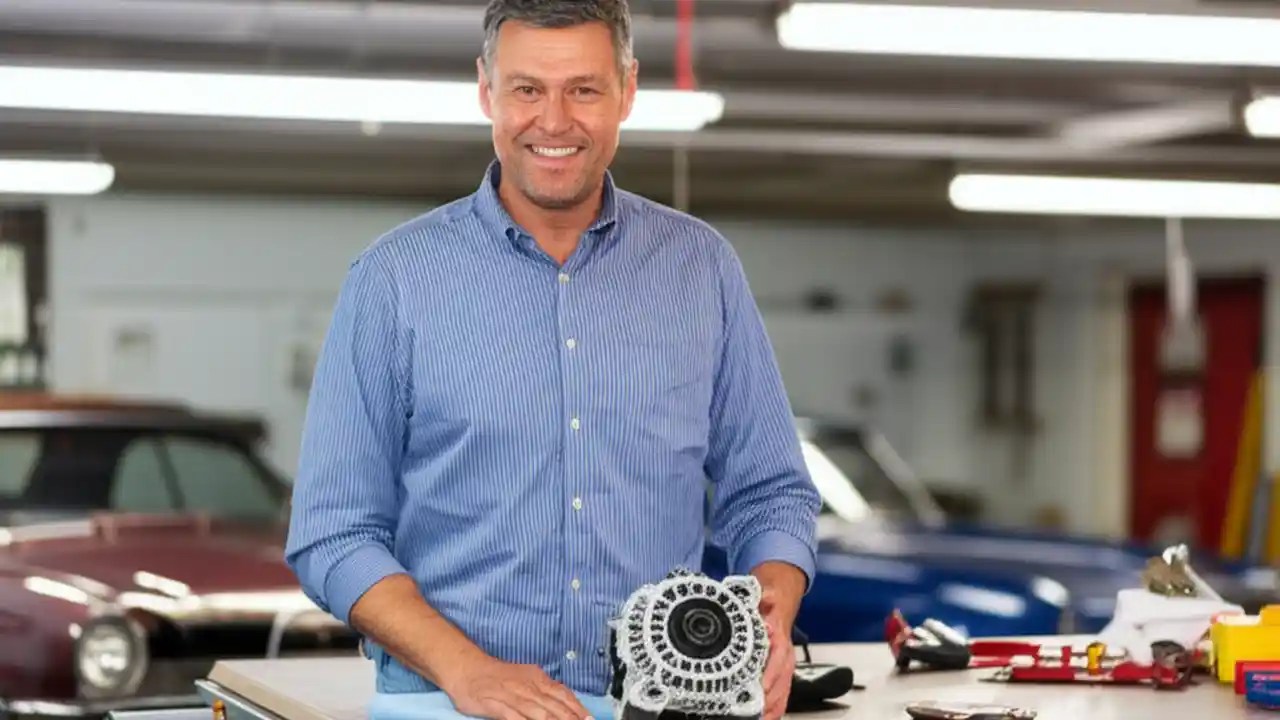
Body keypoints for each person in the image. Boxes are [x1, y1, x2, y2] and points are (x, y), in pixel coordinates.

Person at [284, 1, 821, 718]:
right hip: (448, 705)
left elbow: (770, 492)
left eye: (585, 90)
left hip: (663, 705)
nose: (555, 121)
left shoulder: (702, 270)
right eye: (528, 89)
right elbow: (335, 530)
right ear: (487, 89)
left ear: (628, 90)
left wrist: (772, 607)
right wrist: (468, 671)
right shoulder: (394, 281)